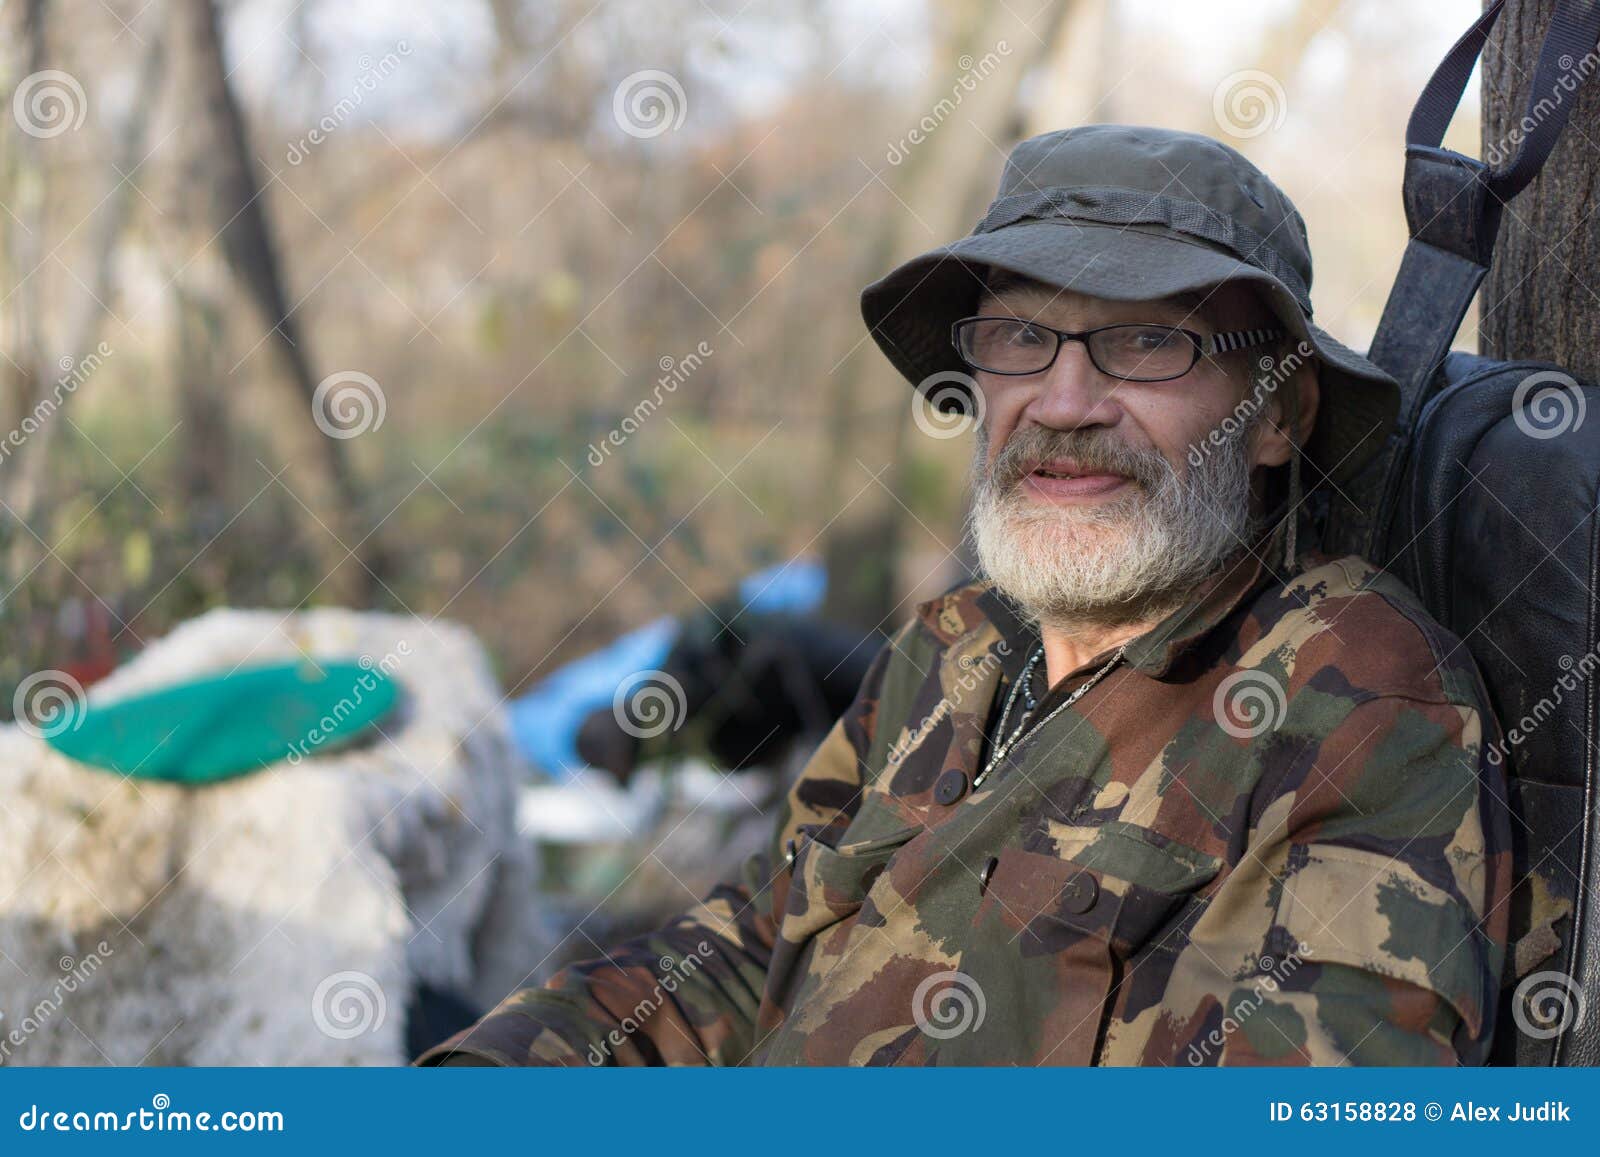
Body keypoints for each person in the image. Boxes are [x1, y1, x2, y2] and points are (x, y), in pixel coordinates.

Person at [419, 124, 1512, 1066]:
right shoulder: (950, 648)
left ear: (1277, 412)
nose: (1065, 400)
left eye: (1145, 340)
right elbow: (743, 952)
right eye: (1021, 337)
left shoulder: (1357, 701)